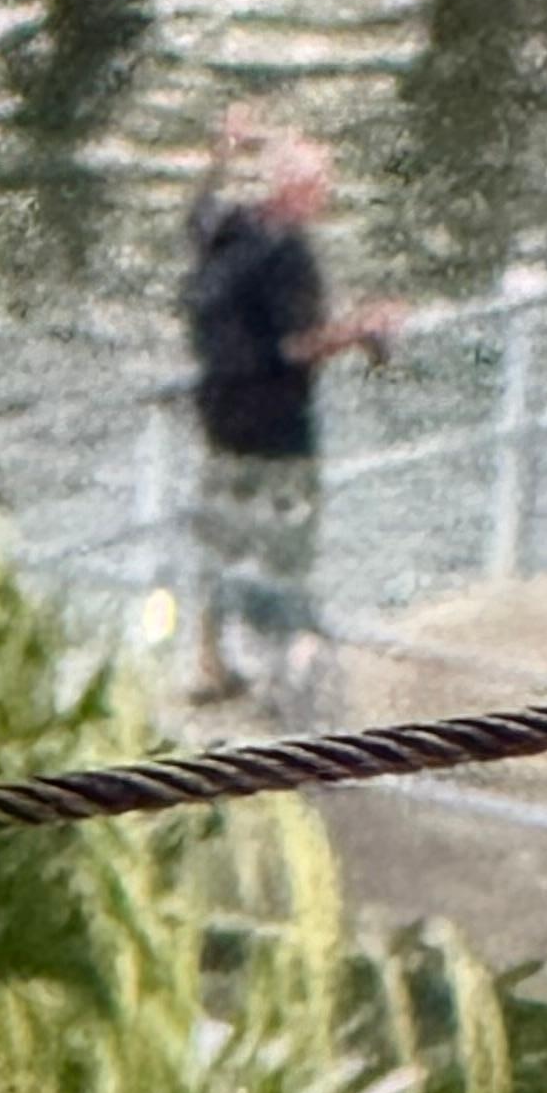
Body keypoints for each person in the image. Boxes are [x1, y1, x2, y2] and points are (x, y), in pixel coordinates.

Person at [178, 117, 403, 704]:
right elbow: (296, 345)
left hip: (220, 418)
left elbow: (197, 210)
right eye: (320, 183)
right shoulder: (291, 254)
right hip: (276, 429)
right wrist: (363, 328)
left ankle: (211, 662)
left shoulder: (231, 228)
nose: (326, 194)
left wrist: (223, 151)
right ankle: (284, 679)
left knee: (223, 543)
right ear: (295, 189)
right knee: (285, 554)